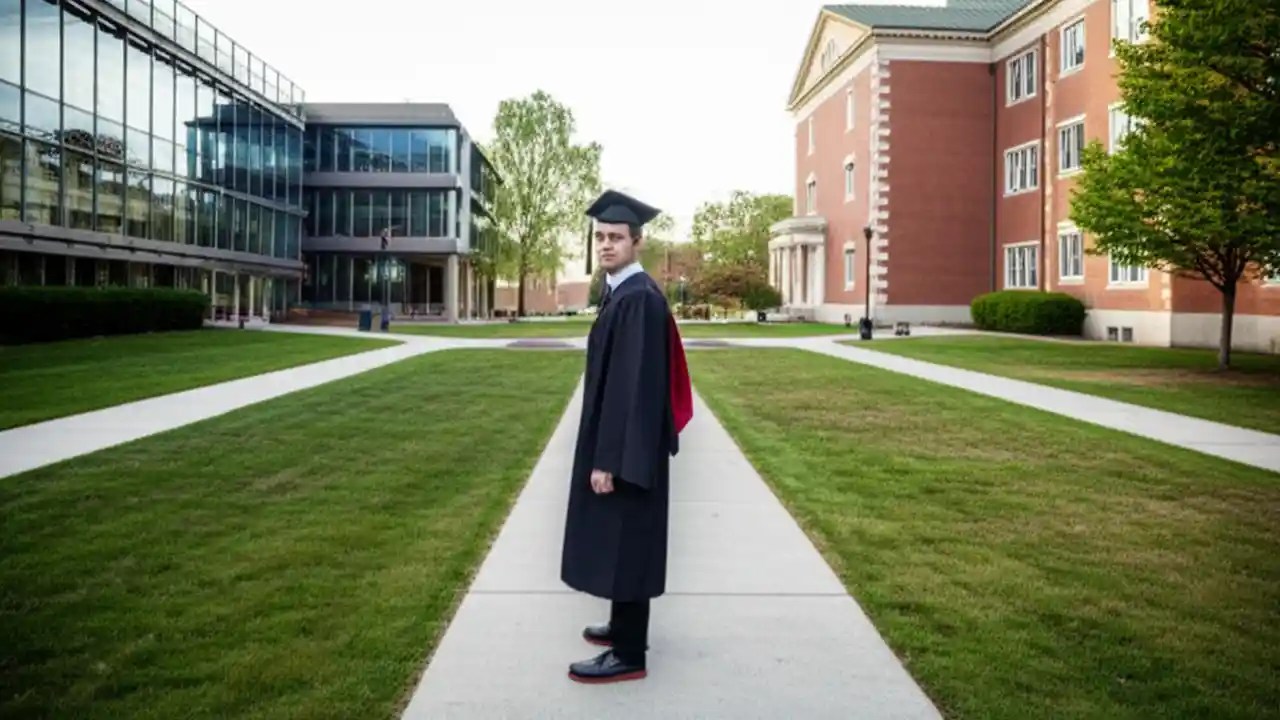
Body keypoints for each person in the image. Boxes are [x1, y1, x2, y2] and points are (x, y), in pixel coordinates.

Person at [561, 189, 693, 684]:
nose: (606, 245)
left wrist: (609, 460)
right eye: (600, 237)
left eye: (616, 237)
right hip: (626, 444)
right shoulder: (624, 292)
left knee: (630, 542)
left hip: (628, 447)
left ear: (637, 241)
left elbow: (630, 390)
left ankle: (629, 653)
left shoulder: (637, 300)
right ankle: (621, 626)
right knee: (622, 537)